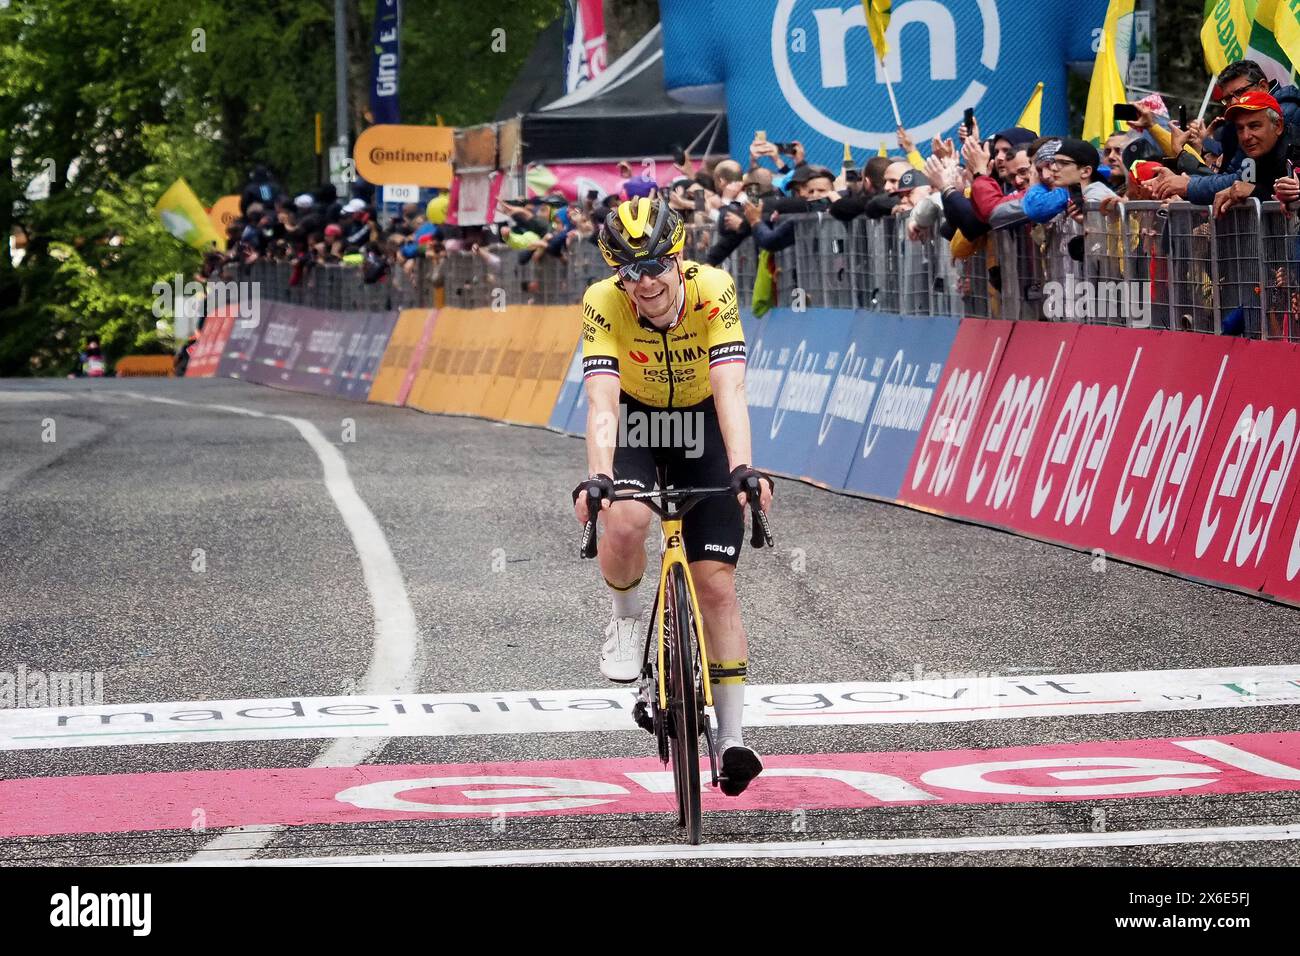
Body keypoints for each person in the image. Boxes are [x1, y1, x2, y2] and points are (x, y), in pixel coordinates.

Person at [574, 195, 774, 797]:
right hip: (637, 422)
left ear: (678, 257)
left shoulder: (713, 288)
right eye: (630, 271)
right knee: (627, 519)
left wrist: (743, 467)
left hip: (702, 424)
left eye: (657, 264)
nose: (646, 281)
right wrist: (599, 476)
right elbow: (603, 400)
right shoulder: (602, 302)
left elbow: (729, 388)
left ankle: (731, 736)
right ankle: (626, 621)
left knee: (715, 582)